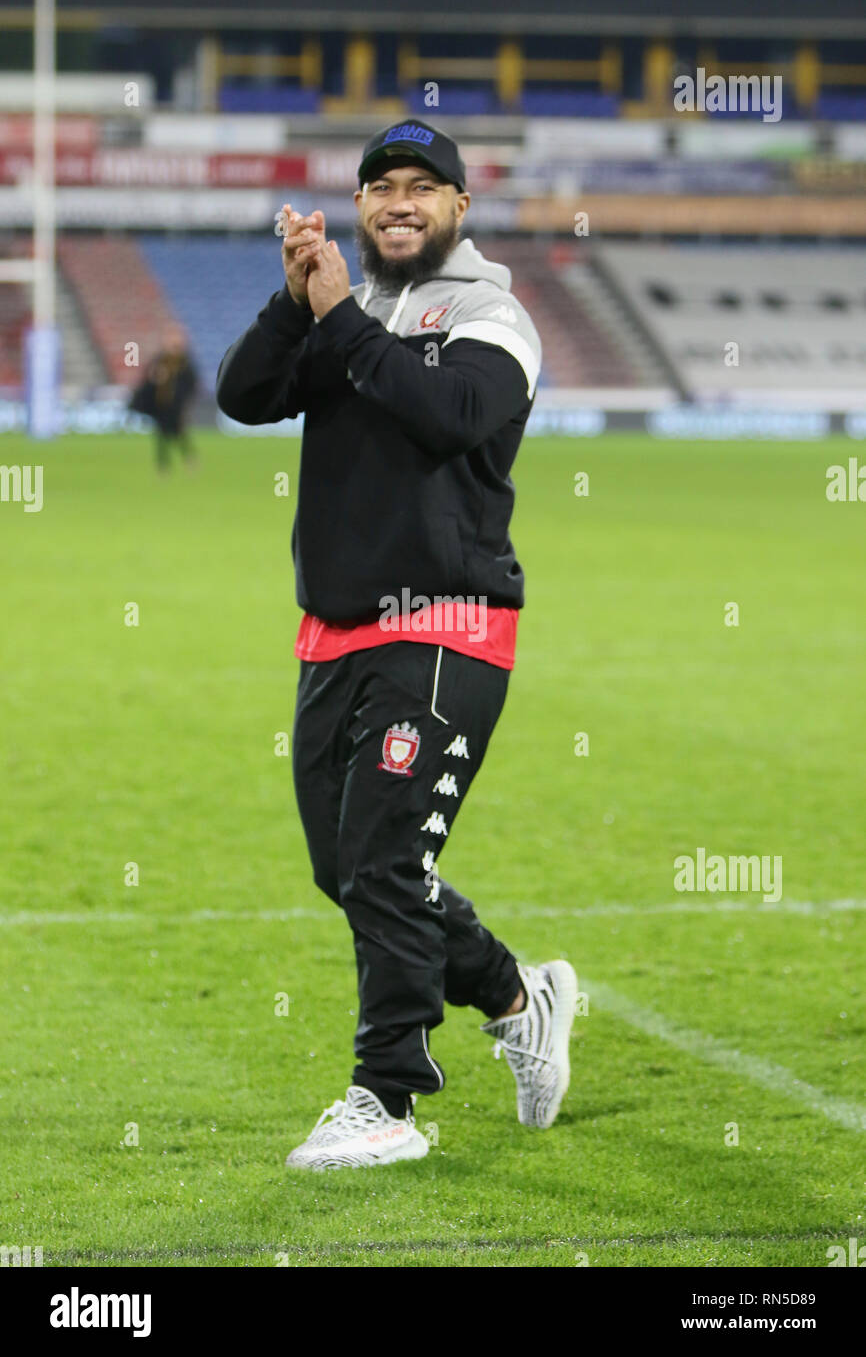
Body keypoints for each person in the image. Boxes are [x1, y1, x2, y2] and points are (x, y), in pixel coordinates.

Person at [216, 118, 578, 1171]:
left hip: (446, 624)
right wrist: (299, 300)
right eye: (381, 187)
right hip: (332, 634)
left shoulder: (491, 315)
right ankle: (518, 996)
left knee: (380, 858)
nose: (400, 201)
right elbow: (243, 395)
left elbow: (447, 413)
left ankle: (387, 1100)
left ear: (459, 206)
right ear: (361, 207)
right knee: (357, 871)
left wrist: (338, 320)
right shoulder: (346, 309)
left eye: (423, 185)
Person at [129, 324, 199, 472]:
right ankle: (163, 465)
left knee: (179, 434)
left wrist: (183, 398)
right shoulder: (159, 360)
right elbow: (147, 380)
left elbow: (191, 383)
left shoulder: (184, 362)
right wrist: (154, 377)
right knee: (161, 436)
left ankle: (189, 459)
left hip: (176, 406)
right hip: (161, 405)